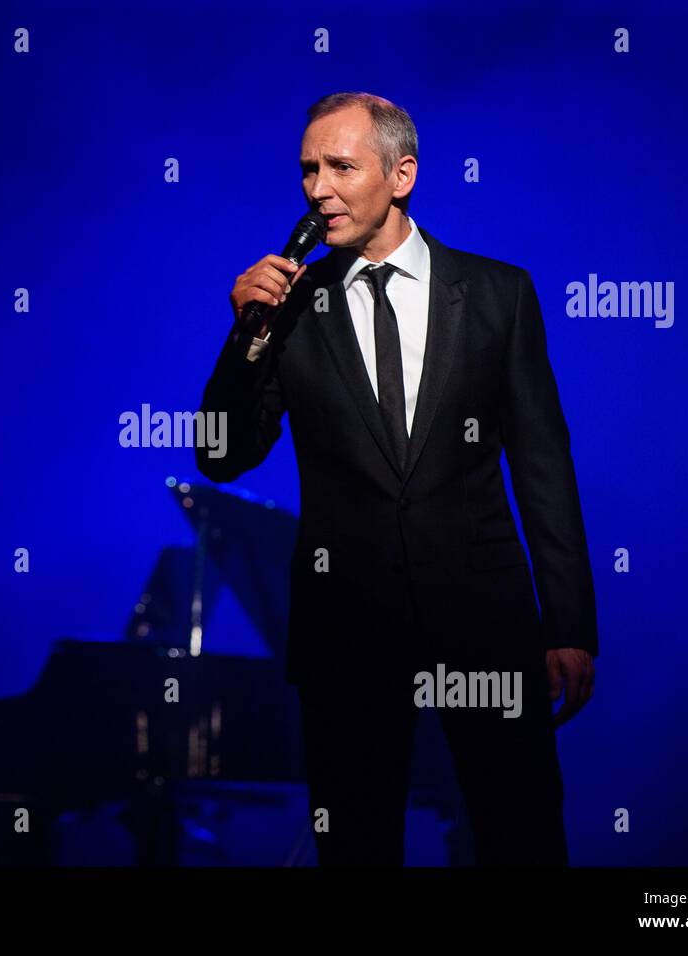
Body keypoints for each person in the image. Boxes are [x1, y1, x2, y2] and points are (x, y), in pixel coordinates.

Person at [196, 92, 597, 865]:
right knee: (355, 844)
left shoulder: (496, 294)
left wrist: (570, 626)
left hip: (485, 627)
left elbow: (544, 465)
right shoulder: (293, 306)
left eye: (341, 167)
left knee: (521, 834)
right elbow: (221, 455)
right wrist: (246, 334)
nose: (319, 189)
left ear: (401, 173)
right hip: (346, 631)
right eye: (309, 170)